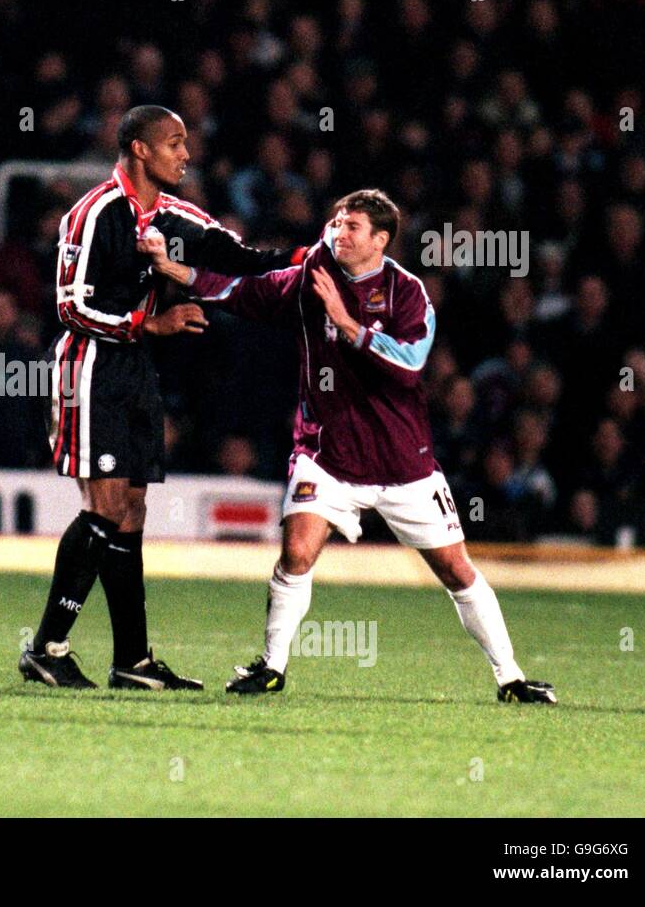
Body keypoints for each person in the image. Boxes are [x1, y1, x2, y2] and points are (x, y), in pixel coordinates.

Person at [142, 188, 556, 704]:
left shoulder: (408, 295)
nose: (339, 231)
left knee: (455, 569)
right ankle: (272, 667)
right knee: (296, 552)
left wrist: (347, 324)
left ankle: (510, 677)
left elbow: (409, 366)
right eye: (337, 221)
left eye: (352, 225)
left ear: (380, 240)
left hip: (403, 465)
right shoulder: (315, 274)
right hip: (327, 455)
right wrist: (176, 271)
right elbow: (249, 291)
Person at [20, 105, 301, 690]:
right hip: (90, 365)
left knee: (131, 513)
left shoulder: (174, 214)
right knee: (104, 506)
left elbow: (237, 256)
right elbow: (70, 305)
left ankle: (132, 661)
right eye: (175, 143)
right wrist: (148, 325)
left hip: (135, 372)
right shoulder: (94, 212)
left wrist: (309, 258)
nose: (186, 154)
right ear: (140, 150)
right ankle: (46, 647)